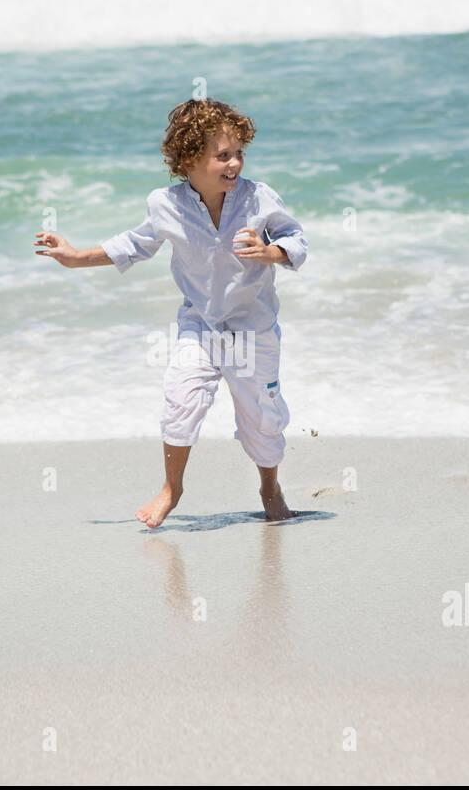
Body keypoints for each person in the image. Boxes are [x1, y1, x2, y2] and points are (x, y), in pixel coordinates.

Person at [33, 98, 308, 528]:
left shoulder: (258, 198)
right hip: (198, 325)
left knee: (263, 421)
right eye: (222, 156)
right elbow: (134, 244)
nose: (235, 163)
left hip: (253, 328)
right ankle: (171, 489)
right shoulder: (166, 205)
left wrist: (272, 251)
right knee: (180, 401)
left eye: (239, 153)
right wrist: (74, 256)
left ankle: (270, 487)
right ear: (188, 160)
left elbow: (296, 239)